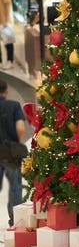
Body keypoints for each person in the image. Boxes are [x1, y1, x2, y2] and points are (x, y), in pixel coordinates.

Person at [0, 80, 25, 226]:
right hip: (10, 151)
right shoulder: (14, 106)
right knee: (15, 187)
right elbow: (21, 128)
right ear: (6, 91)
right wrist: (17, 142)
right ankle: (15, 221)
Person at [0, 0, 14, 69]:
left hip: (3, 21)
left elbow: (7, 4)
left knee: (8, 41)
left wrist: (6, 20)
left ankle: (10, 61)